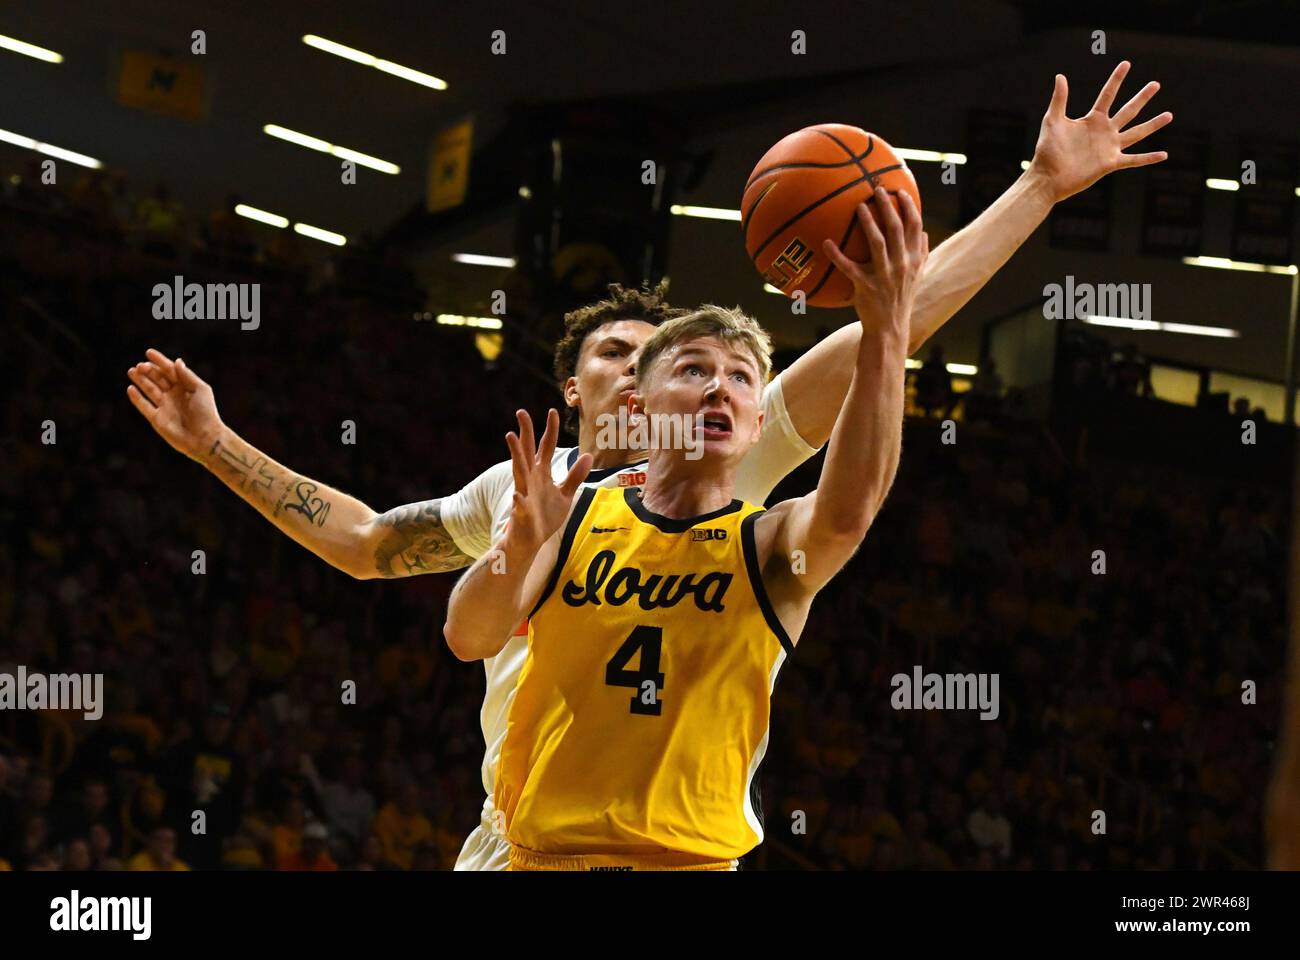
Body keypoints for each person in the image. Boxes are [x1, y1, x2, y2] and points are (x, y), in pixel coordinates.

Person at [125, 60, 1171, 869]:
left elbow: (884, 333)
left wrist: (1037, 189)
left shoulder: (736, 461)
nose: (651, 371)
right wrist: (217, 445)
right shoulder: (522, 489)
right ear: (584, 393)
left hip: (674, 833)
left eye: (672, 354)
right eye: (617, 357)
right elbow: (362, 546)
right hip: (524, 831)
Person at [443, 186, 924, 869]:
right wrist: (513, 551)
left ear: (758, 423)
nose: (718, 387)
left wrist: (886, 334)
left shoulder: (766, 544)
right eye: (694, 368)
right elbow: (468, 637)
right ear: (639, 406)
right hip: (545, 857)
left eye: (740, 377)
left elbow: (848, 514)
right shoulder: (571, 516)